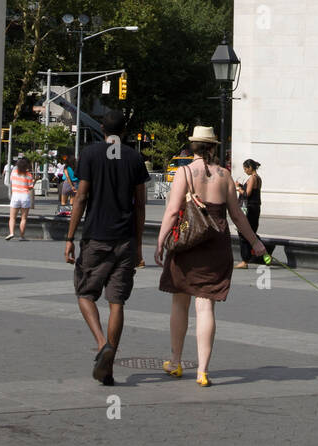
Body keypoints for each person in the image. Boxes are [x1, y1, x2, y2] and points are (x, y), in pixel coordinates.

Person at [156, 126, 268, 386]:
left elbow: (172, 211)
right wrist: (255, 242)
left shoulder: (184, 172)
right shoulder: (225, 175)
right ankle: (202, 371)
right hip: (215, 245)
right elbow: (237, 215)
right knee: (205, 306)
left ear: (193, 147)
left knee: (180, 302)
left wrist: (160, 242)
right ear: (213, 147)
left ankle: (175, 362)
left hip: (186, 245)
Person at [65, 110, 149, 385]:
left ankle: (103, 344)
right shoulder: (135, 158)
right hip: (125, 239)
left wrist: (69, 237)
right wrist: (138, 246)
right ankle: (108, 368)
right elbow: (140, 206)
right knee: (117, 301)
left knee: (85, 293)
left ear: (101, 128)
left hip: (96, 236)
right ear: (124, 130)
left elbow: (81, 197)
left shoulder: (90, 154)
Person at [235, 159, 262, 268]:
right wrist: (241, 186)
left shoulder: (252, 178)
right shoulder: (258, 178)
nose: (245, 171)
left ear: (250, 167)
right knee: (252, 232)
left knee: (243, 232)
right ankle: (264, 253)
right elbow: (252, 191)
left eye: (245, 169)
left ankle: (245, 260)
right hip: (255, 207)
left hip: (249, 208)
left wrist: (238, 189)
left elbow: (247, 194)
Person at [6, 156, 34, 240]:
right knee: (23, 218)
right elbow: (30, 187)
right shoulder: (29, 175)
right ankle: (22, 236)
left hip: (15, 196)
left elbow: (11, 181)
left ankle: (11, 233)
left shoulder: (14, 173)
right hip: (25, 196)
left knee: (12, 217)